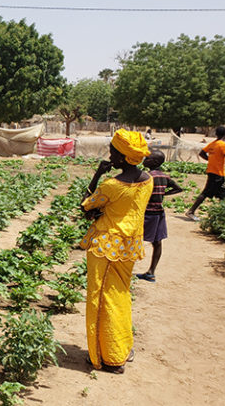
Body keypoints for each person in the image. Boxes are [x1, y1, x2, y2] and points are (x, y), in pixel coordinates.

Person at [80, 128, 151, 373]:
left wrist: (98, 173)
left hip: (105, 247)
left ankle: (107, 357)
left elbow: (86, 205)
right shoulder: (148, 180)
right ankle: (120, 346)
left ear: (122, 157)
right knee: (120, 296)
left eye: (112, 151)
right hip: (129, 247)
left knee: (100, 299)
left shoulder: (111, 185)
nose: (109, 154)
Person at [136, 151, 182, 283]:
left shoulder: (147, 177)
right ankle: (151, 272)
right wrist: (163, 194)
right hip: (159, 213)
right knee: (157, 242)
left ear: (155, 162)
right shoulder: (165, 177)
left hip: (147, 213)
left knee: (134, 239)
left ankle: (124, 270)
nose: (145, 159)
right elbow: (178, 189)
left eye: (148, 158)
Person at [185, 126, 225, 221]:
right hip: (217, 173)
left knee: (222, 195)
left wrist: (210, 160)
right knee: (206, 192)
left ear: (216, 134)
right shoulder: (223, 145)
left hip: (213, 171)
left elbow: (202, 153)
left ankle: (221, 215)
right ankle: (191, 212)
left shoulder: (212, 144)